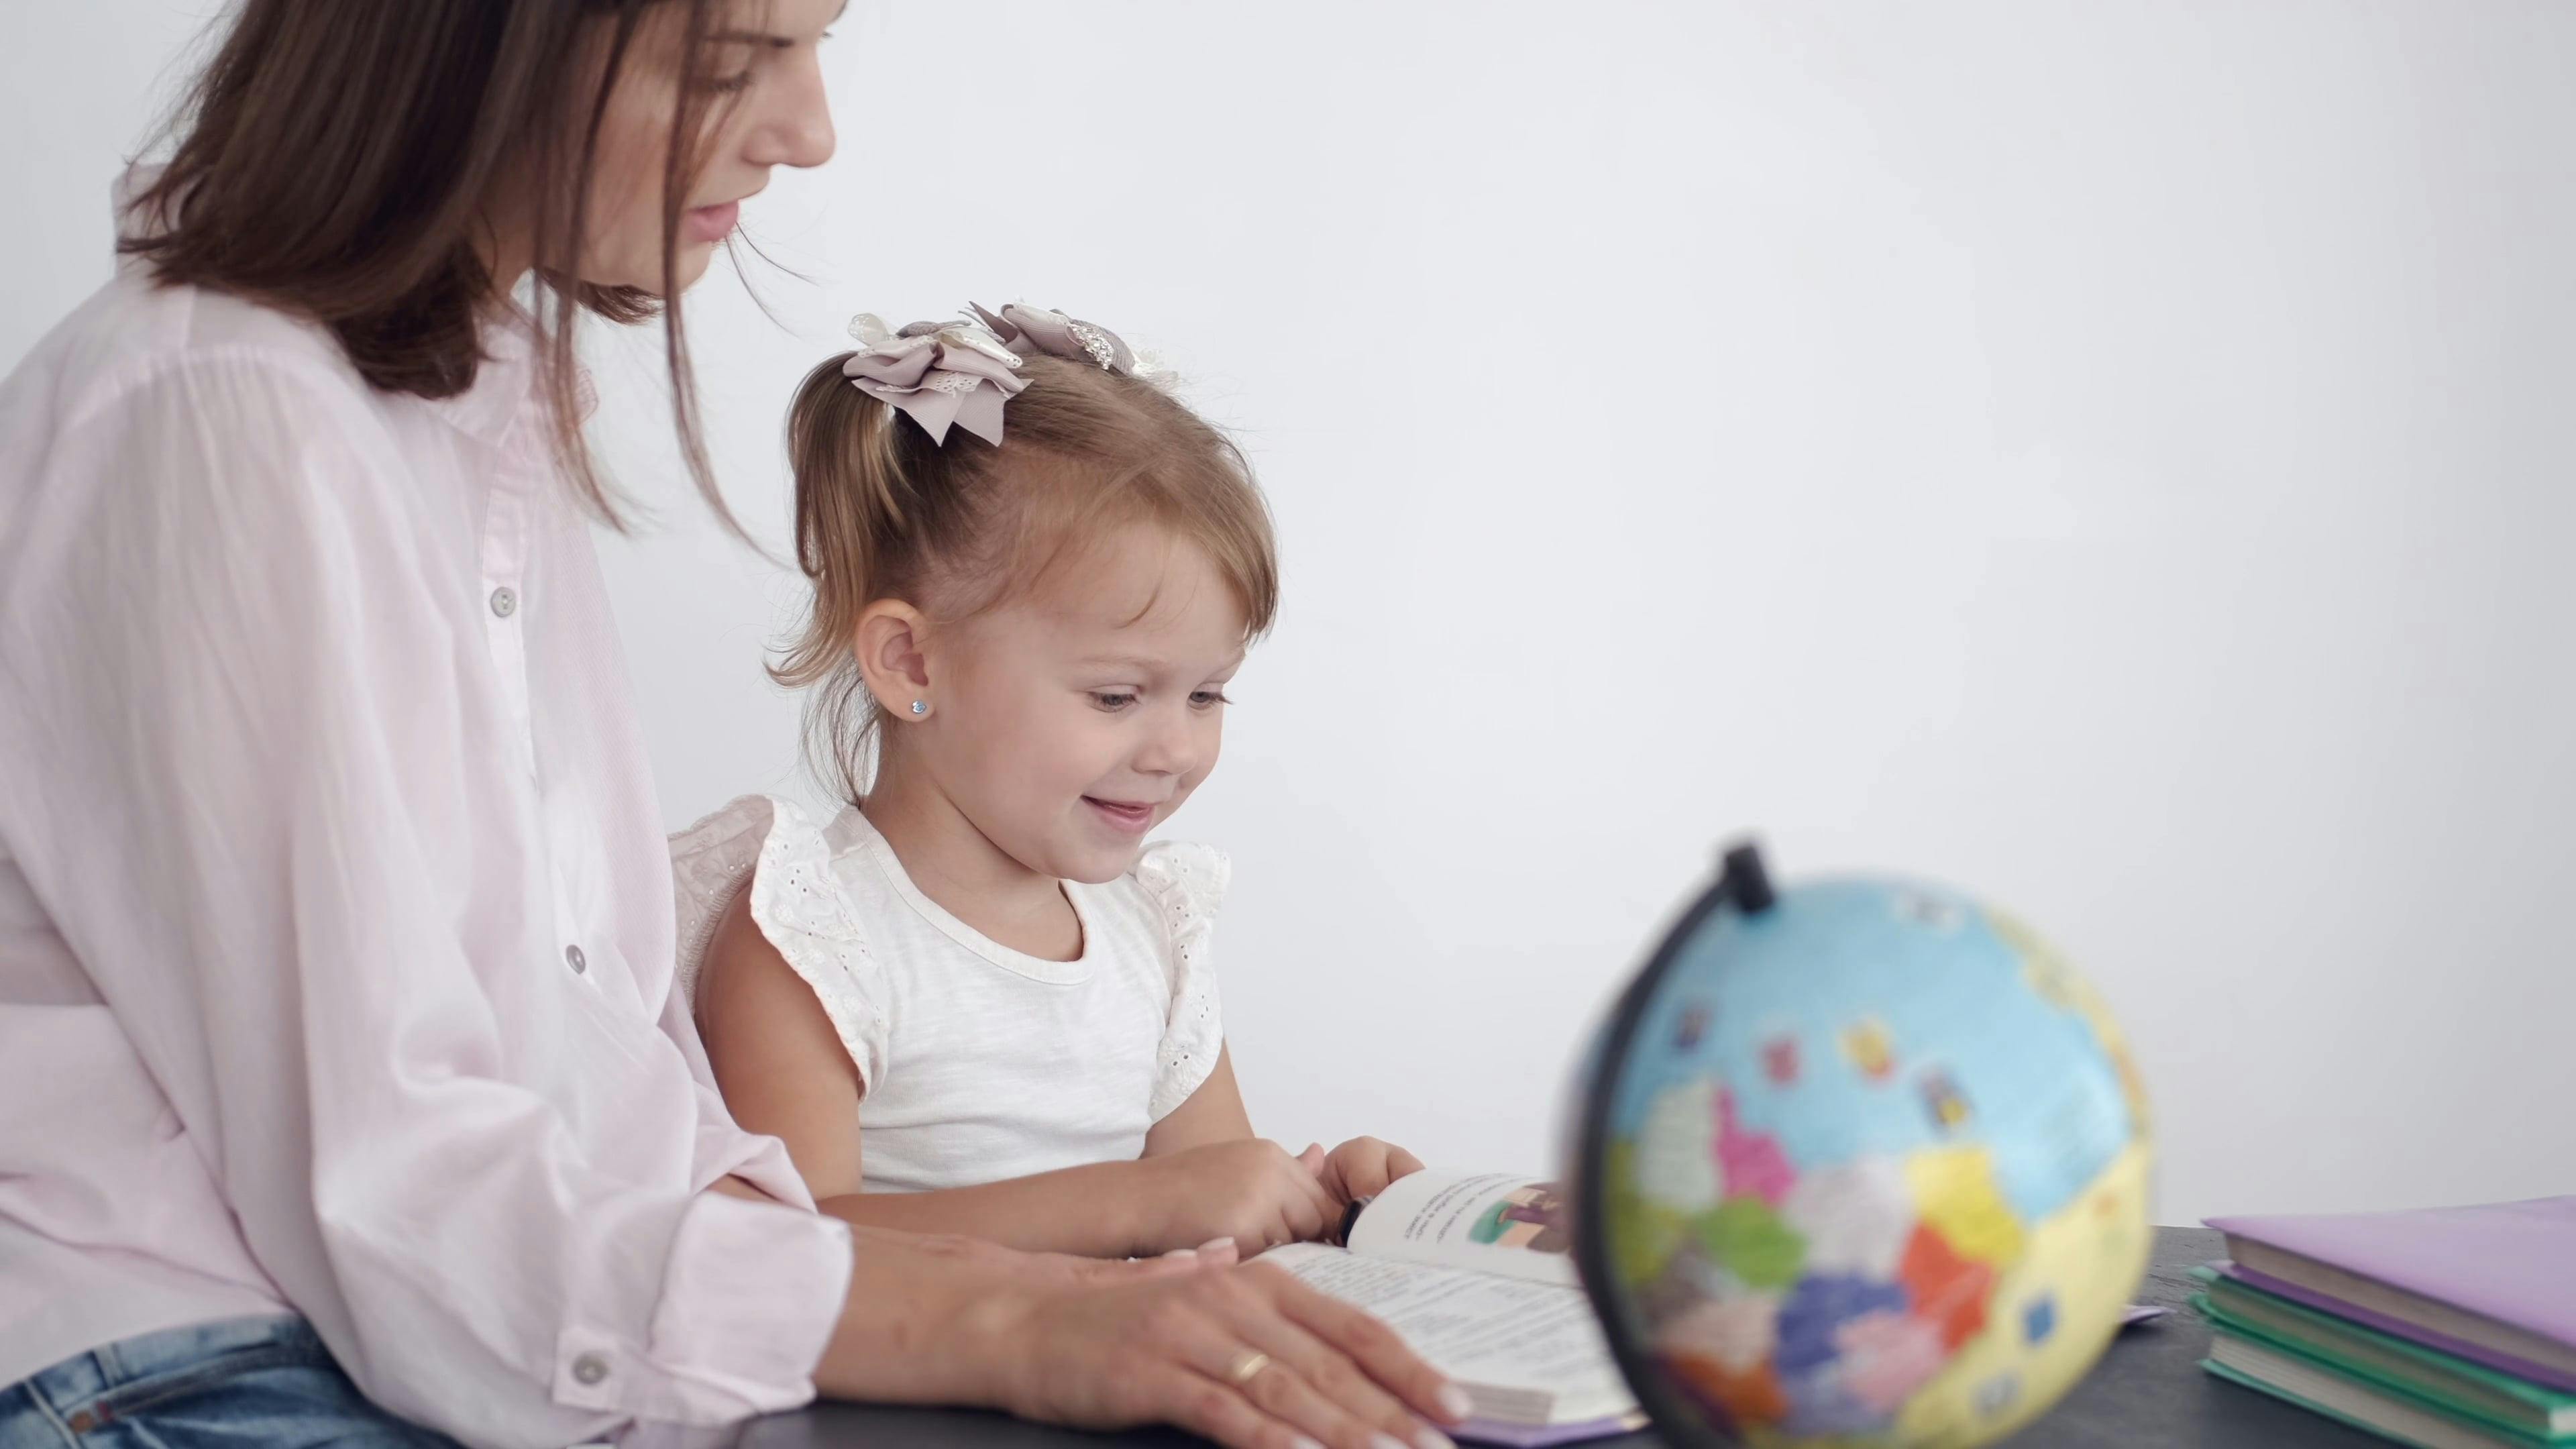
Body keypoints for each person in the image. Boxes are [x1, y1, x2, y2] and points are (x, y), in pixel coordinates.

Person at [0, 4, 1466, 1448]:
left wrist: (1138, 1289)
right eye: (728, 62)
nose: (809, 131)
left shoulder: (472, 418)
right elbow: (397, 1193)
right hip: (195, 1366)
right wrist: (1019, 1319)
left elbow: (612, 1126)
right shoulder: (225, 415)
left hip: (449, 1348)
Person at [675, 305, 1426, 1258]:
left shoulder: (1151, 936)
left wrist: (1325, 1206)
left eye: (1207, 695)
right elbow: (782, 1251)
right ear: (912, 663)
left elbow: (1214, 1210)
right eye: (1117, 696)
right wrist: (1131, 1205)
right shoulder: (815, 938)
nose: (1175, 751)